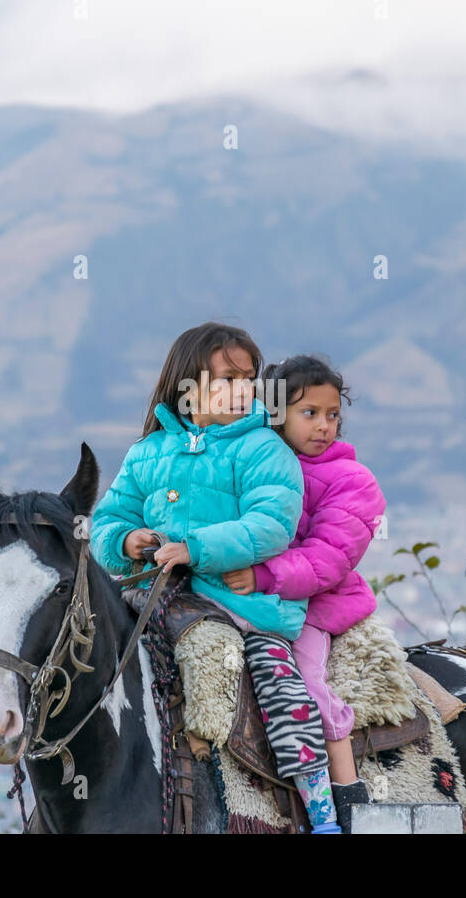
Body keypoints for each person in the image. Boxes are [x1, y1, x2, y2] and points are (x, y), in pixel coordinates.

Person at [90, 323, 341, 833]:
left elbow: (271, 523)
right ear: (188, 385)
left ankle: (318, 804)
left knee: (281, 691)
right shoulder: (147, 453)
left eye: (249, 379)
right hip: (160, 598)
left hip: (241, 606)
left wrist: (198, 550)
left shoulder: (261, 449)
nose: (243, 389)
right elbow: (107, 520)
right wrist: (125, 541)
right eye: (228, 377)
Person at [222, 354, 385, 834]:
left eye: (332, 414)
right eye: (309, 413)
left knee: (307, 685)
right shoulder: (255, 465)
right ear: (276, 414)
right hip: (259, 600)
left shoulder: (352, 481)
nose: (324, 426)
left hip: (316, 606)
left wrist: (266, 575)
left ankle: (347, 797)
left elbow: (329, 558)